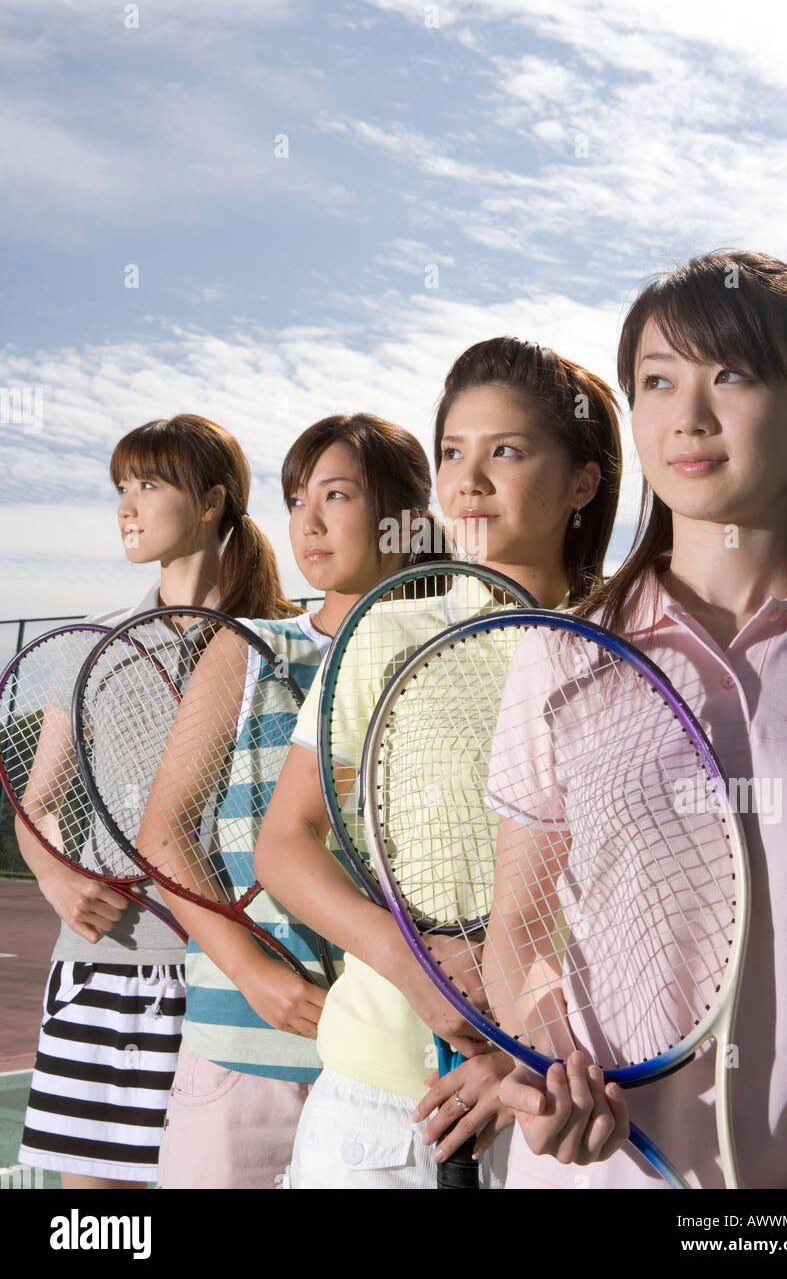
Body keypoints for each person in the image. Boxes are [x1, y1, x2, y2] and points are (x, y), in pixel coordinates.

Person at [496, 251, 787, 1189]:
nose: (687, 418)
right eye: (657, 381)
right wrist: (548, 1053)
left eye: (730, 375)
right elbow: (521, 934)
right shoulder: (562, 650)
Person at [256, 337, 622, 1188]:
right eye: (454, 451)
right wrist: (410, 962)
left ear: (583, 482)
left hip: (558, 1113)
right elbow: (288, 843)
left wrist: (529, 1057)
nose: (470, 479)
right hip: (381, 1109)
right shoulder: (387, 630)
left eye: (508, 451)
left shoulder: (628, 650)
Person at [156, 412, 442, 1189]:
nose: (308, 523)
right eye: (295, 499)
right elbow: (164, 833)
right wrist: (254, 974)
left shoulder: (448, 655)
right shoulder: (248, 646)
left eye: (337, 496)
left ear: (406, 521)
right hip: (250, 1045)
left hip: (389, 1063)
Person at [16, 413, 286, 1188]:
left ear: (210, 503)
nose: (126, 505)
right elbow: (37, 802)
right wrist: (57, 878)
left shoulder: (272, 644)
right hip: (106, 967)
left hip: (230, 967)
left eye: (150, 484)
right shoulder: (85, 643)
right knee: (98, 1224)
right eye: (121, 487)